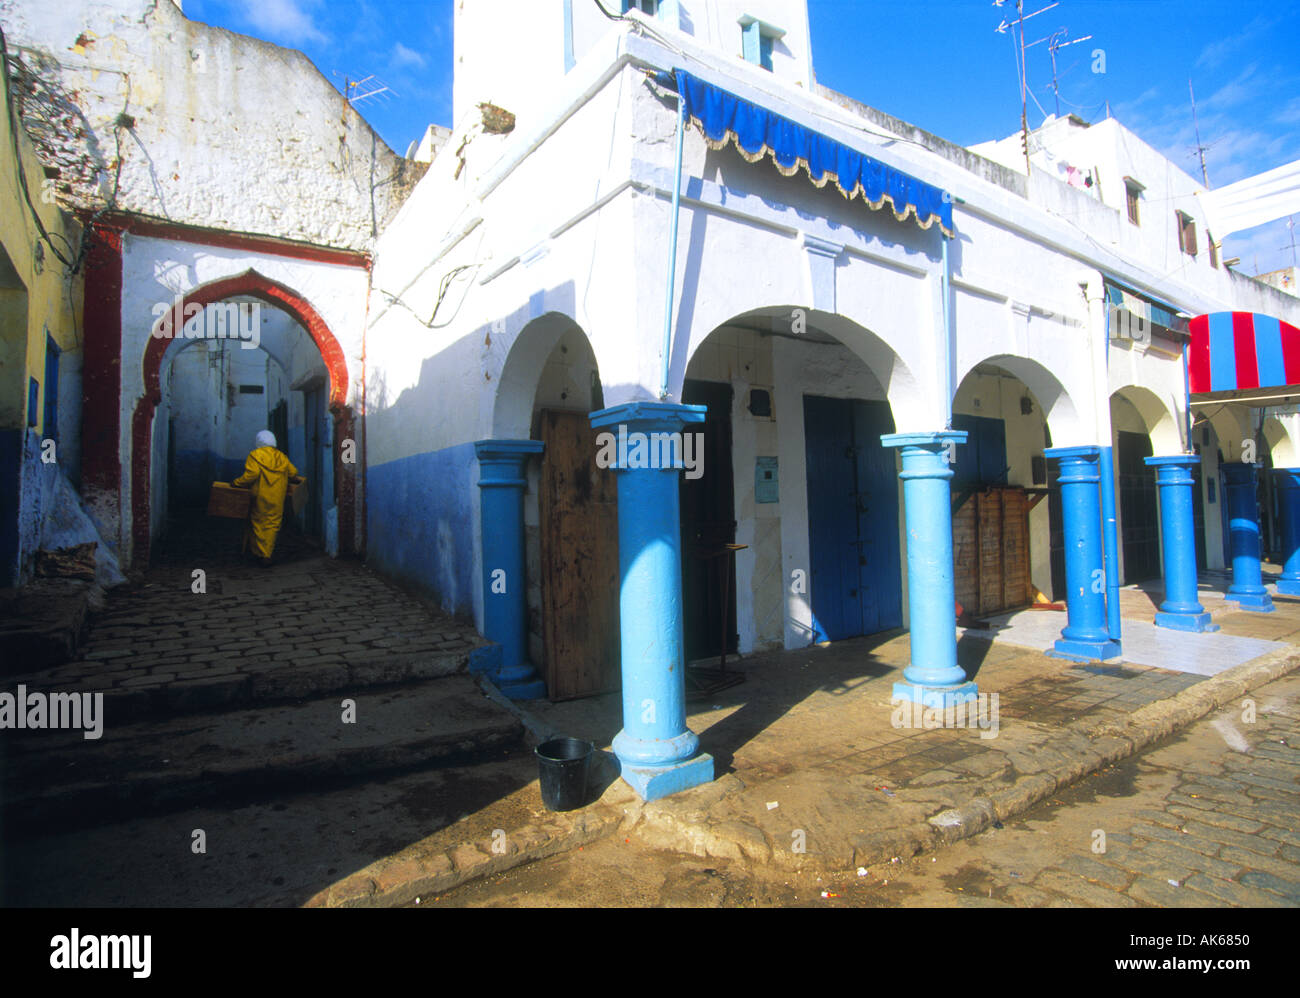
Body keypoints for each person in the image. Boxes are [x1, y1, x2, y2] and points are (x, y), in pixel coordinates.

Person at [231, 429, 297, 566]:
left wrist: (236, 483)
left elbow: (251, 474)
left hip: (260, 495)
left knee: (258, 522)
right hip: (278, 497)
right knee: (273, 524)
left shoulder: (255, 455)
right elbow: (293, 472)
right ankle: (267, 553)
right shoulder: (281, 456)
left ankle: (259, 552)